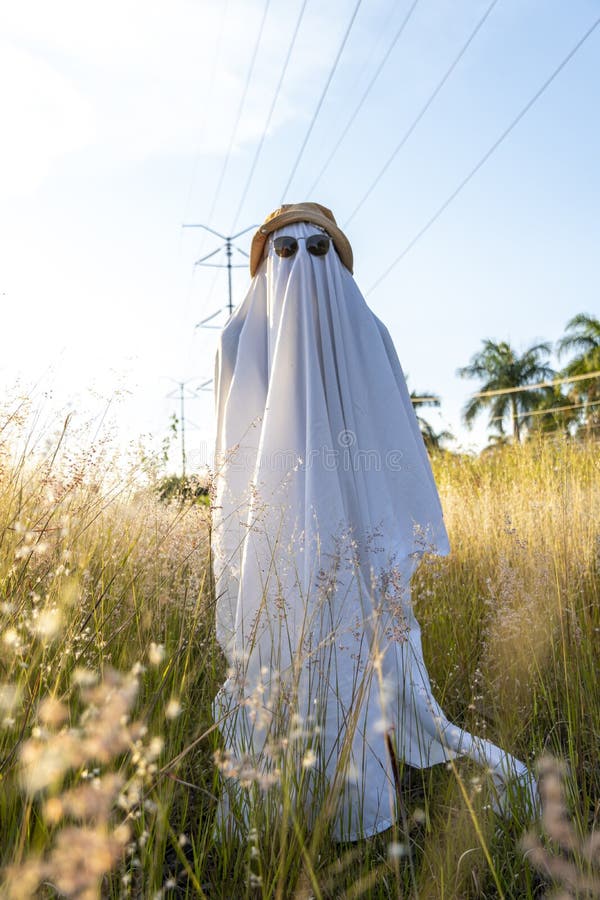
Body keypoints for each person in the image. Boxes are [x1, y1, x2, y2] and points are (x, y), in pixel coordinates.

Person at [210, 202, 537, 843]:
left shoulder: (366, 334)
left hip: (358, 539)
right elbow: (230, 465)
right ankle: (285, 814)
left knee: (365, 659)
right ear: (263, 263)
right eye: (284, 251)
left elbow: (394, 443)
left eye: (318, 250)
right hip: (272, 543)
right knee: (280, 661)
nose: (302, 264)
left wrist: (380, 540)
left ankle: (369, 811)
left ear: (337, 261)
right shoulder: (237, 342)